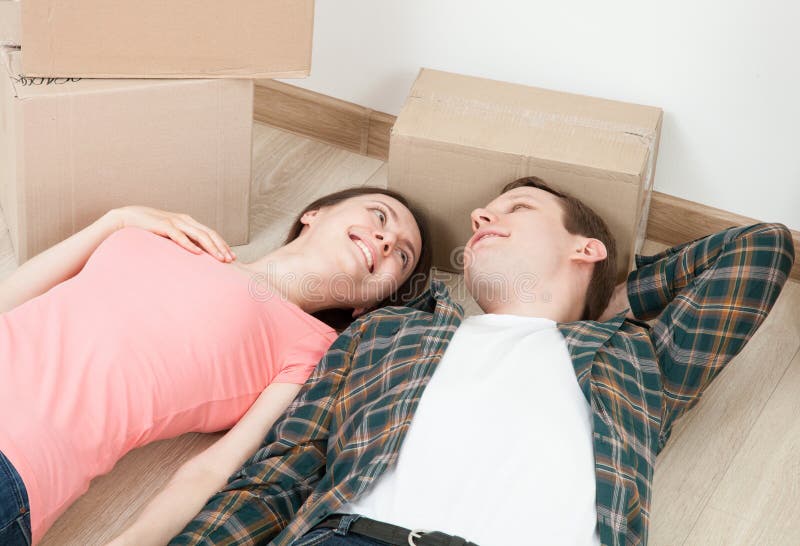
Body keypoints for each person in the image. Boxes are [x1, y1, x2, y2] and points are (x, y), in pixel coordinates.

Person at [164, 176, 794, 546]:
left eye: (516, 208)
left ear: (588, 246)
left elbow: (762, 248)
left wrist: (611, 294)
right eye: (484, 215)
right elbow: (281, 474)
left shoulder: (633, 360)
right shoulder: (388, 333)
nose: (481, 216)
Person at [0, 186, 432, 546]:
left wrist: (132, 541)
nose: (386, 240)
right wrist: (115, 219)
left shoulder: (314, 353)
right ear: (314, 214)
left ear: (368, 304)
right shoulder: (170, 236)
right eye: (379, 216)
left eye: (403, 256)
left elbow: (214, 470)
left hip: (17, 458)